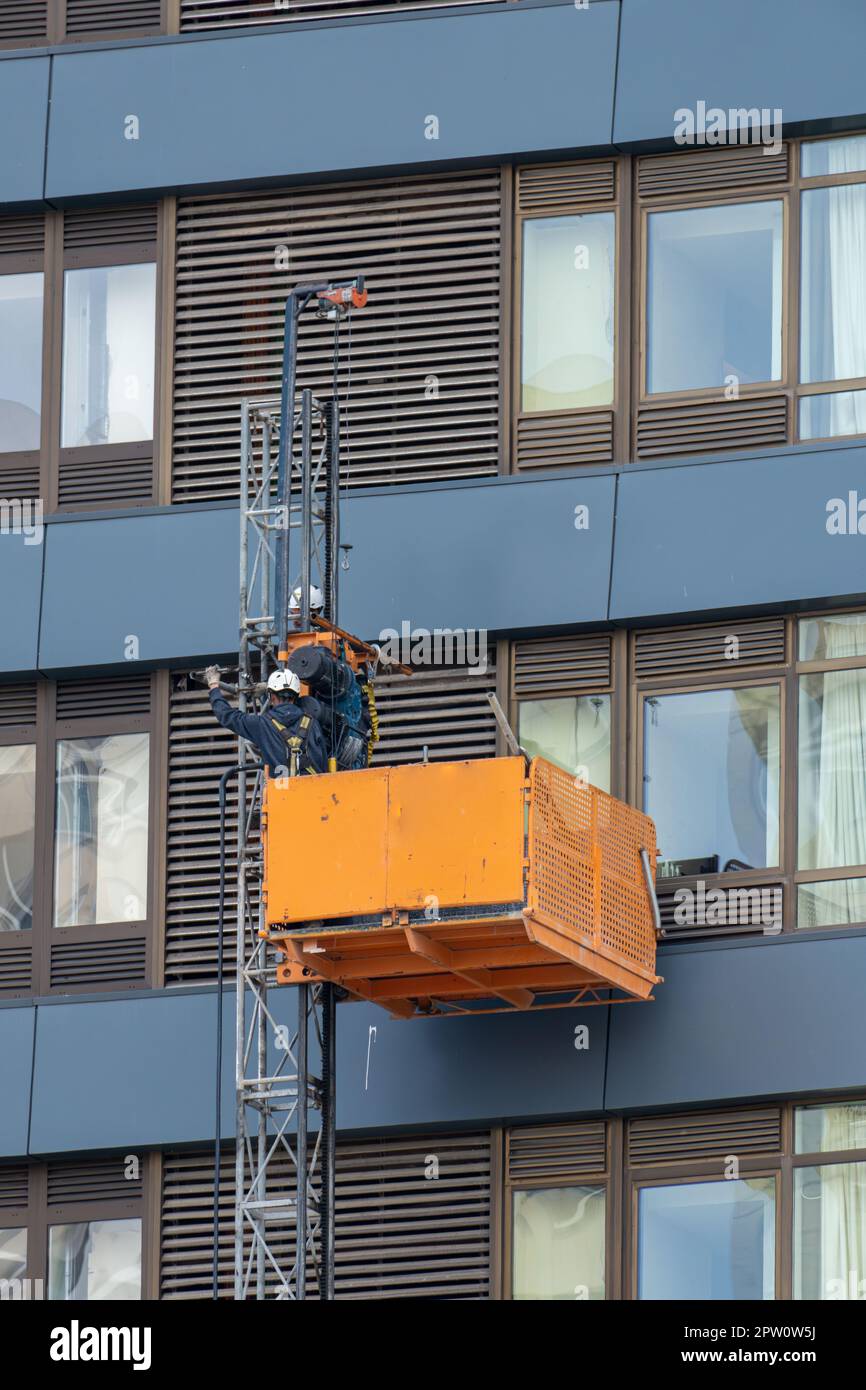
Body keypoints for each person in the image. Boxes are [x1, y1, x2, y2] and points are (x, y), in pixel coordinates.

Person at [205, 665, 328, 775]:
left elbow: (227, 716)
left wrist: (214, 685)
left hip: (280, 796)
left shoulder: (262, 724)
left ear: (271, 696)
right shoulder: (312, 723)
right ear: (296, 696)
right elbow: (323, 763)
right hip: (313, 794)